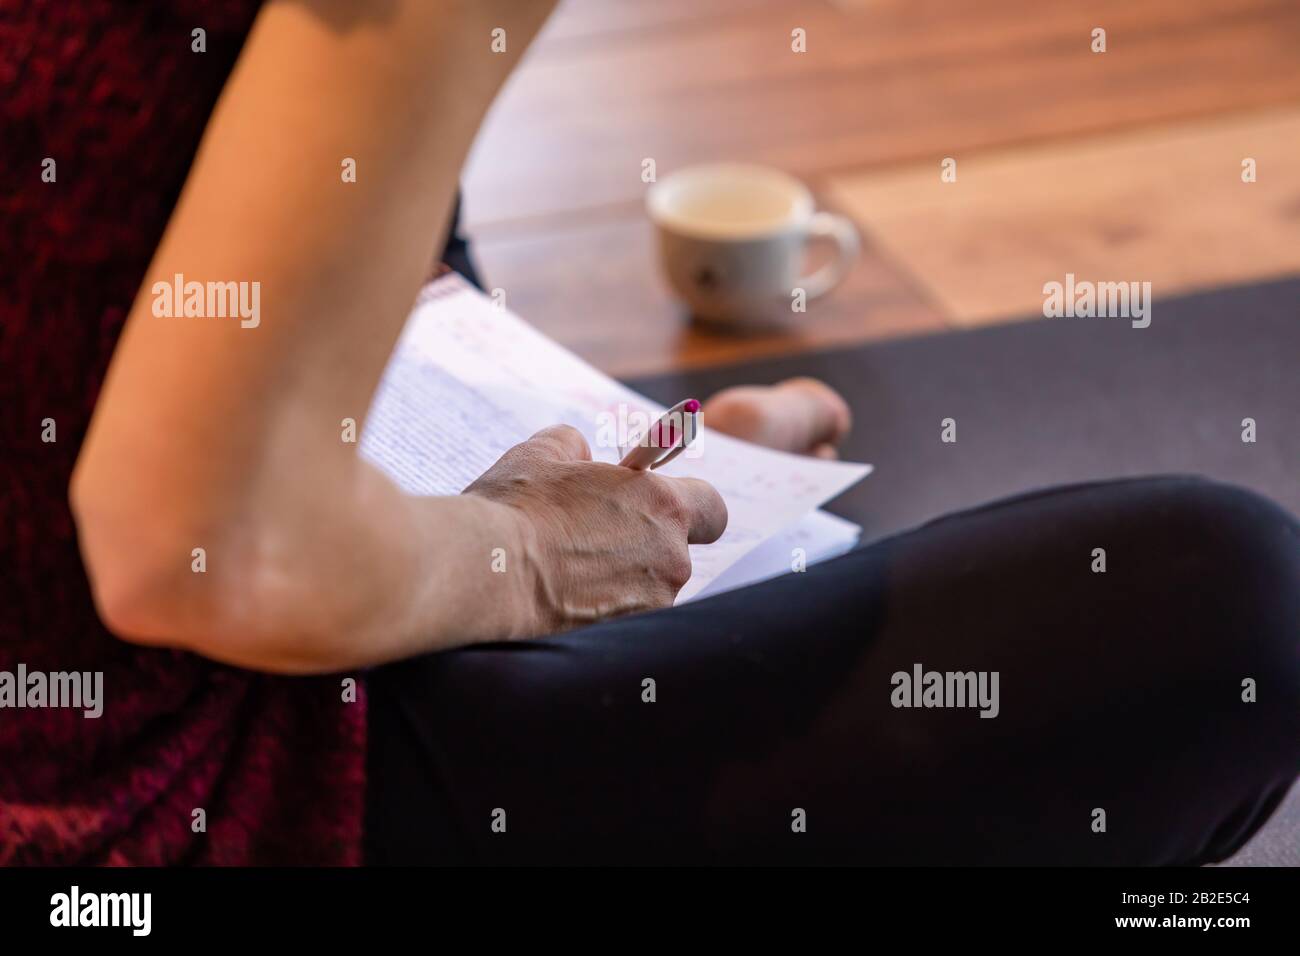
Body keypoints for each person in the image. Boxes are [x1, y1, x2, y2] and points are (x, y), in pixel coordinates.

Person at [2, 0, 1296, 865]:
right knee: (1227, 605)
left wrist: (592, 446)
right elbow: (202, 551)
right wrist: (532, 559)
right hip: (135, 808)